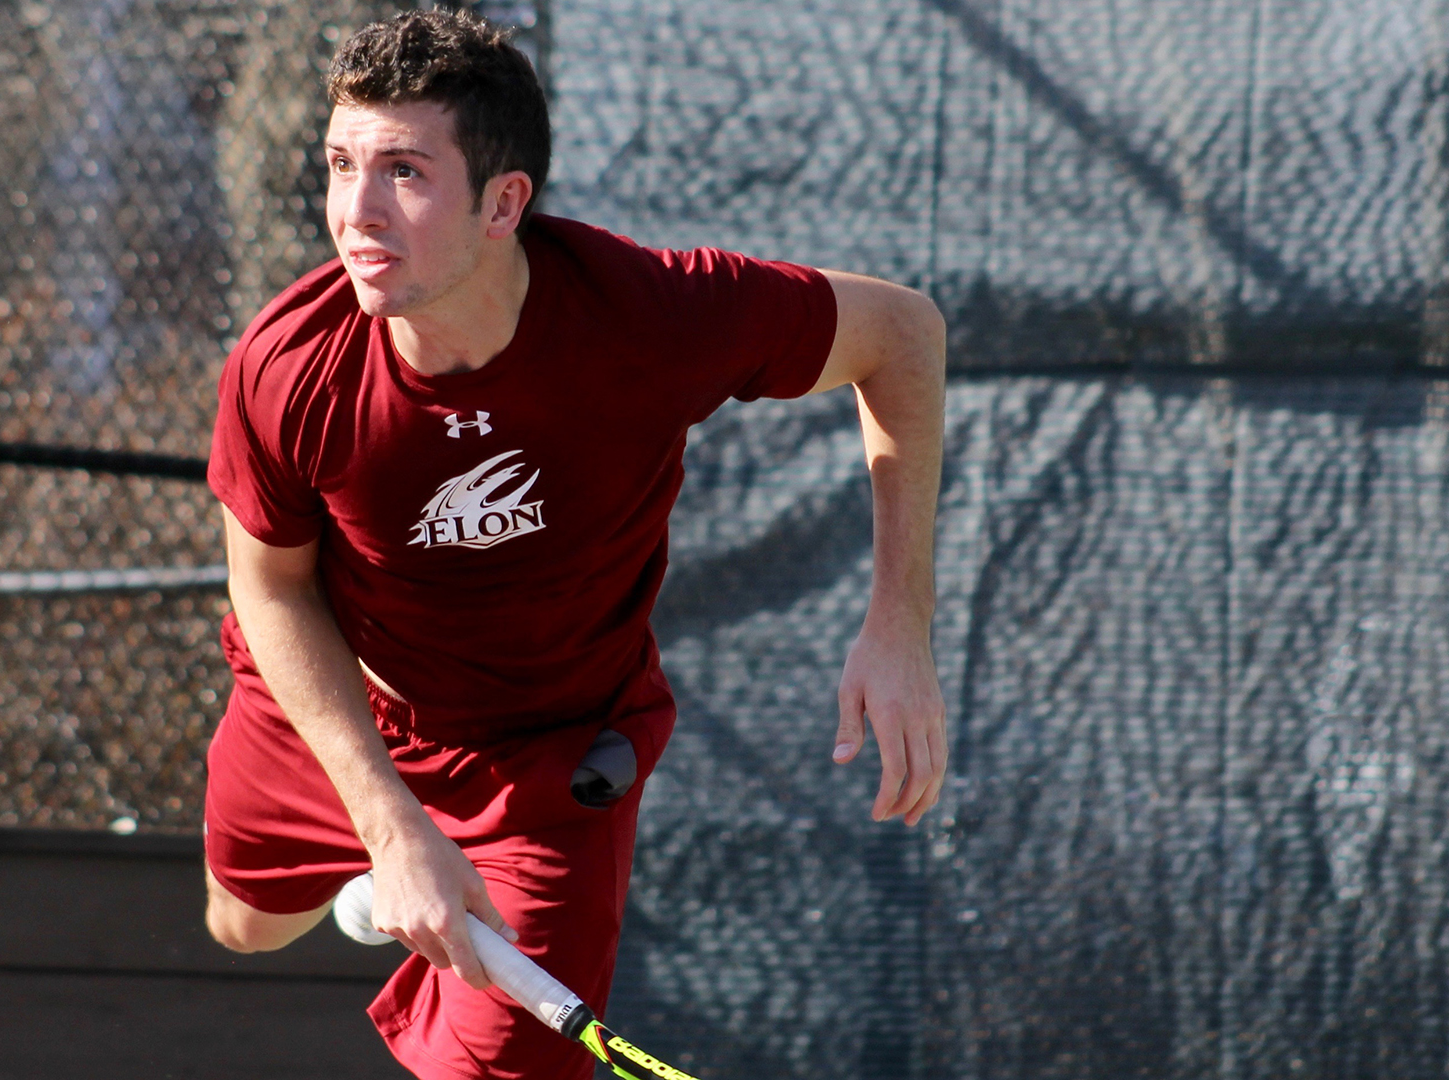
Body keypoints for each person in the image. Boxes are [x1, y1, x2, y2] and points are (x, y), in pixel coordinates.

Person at [201, 10, 947, 1079]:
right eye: (340, 164)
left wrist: (899, 620)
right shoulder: (284, 368)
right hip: (337, 707)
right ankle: (384, 885)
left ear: (505, 203)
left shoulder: (653, 316)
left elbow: (904, 335)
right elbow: (268, 590)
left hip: (546, 758)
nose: (354, 212)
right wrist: (392, 824)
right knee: (244, 926)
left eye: (404, 172)